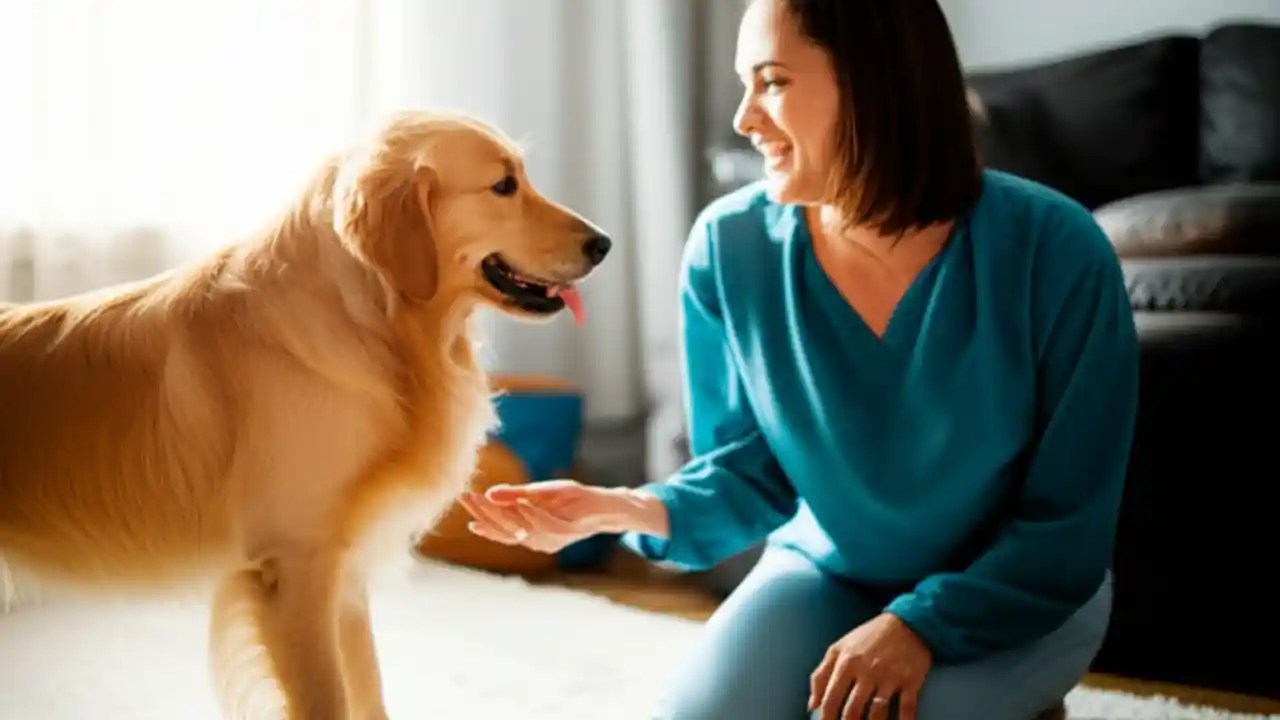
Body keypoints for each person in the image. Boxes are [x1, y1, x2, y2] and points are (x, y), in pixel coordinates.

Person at [458, 0, 1140, 717]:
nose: (743, 119)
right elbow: (745, 470)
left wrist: (918, 626)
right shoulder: (729, 247)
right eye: (744, 85)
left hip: (1018, 593)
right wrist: (620, 507)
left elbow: (1065, 528)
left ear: (877, 82)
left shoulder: (1057, 251)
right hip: (829, 572)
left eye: (773, 81)